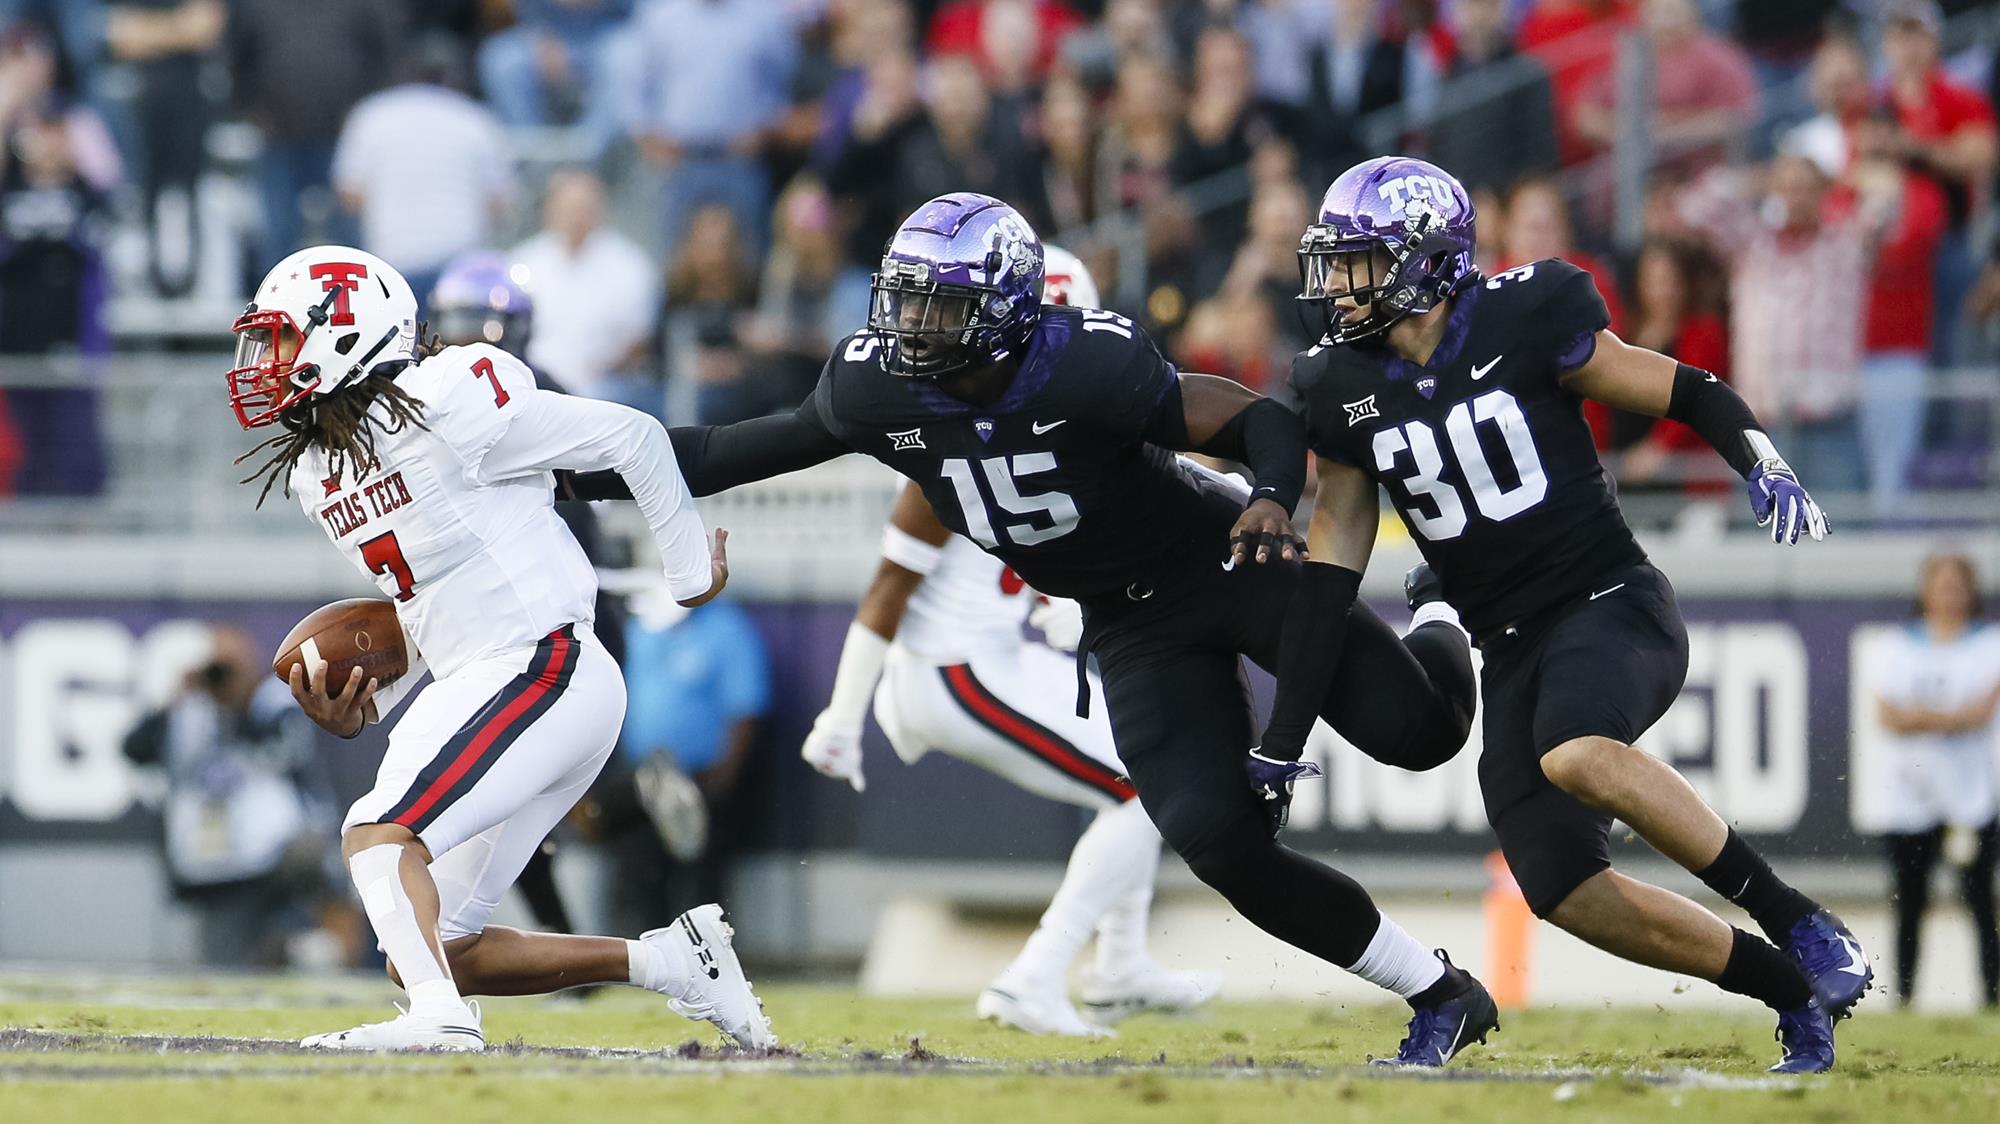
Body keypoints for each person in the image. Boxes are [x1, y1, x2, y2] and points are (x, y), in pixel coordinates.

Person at [563, 192, 1498, 1067]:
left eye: (937, 306)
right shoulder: (877, 389)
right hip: (1132, 627)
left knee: (1419, 735)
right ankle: (1440, 992)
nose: (909, 325)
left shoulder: (1083, 362)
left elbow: (1257, 421)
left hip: (1222, 565)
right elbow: (722, 451)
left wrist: (1268, 498)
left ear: (1004, 311)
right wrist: (568, 472)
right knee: (1220, 844)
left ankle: (1443, 604)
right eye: (904, 299)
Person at [1272, 155, 1862, 1074]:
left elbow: (1683, 387)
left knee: (1576, 751)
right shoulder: (1336, 384)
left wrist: (1760, 460)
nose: (1339, 286)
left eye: (1359, 262)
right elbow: (1327, 581)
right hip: (1509, 648)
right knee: (1561, 888)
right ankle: (1790, 991)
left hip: (1609, 600)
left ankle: (1799, 919)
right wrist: (1281, 740)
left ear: (1424, 260)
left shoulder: (1529, 312)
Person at [226, 244, 768, 1051]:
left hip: (541, 664)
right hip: (495, 673)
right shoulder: (320, 470)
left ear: (342, 333)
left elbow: (634, 434)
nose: (263, 364)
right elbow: (430, 600)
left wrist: (687, 573)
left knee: (376, 834)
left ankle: (440, 1024)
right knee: (431, 947)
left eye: (278, 340)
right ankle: (676, 963)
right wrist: (367, 701)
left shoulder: (448, 394)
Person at [799, 252, 1222, 1036]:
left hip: (992, 653)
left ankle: (1120, 963)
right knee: (1148, 784)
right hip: (954, 666)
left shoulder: (1064, 429)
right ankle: (1036, 975)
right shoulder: (948, 439)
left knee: (1150, 761)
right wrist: (841, 715)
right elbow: (890, 584)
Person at [426, 249, 633, 938]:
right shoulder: (422, 400)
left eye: (480, 326)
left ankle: (629, 811)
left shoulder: (533, 395)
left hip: (553, 614)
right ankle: (570, 948)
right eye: (455, 325)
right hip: (486, 620)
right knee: (504, 805)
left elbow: (579, 509)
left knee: (547, 793)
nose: (466, 342)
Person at [121, 625, 346, 968]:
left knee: (326, 864)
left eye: (231, 666)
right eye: (217, 665)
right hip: (217, 863)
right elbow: (133, 749)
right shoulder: (187, 710)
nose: (222, 677)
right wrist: (174, 700)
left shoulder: (271, 701)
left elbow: (282, 744)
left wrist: (237, 701)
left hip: (275, 849)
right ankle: (287, 951)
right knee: (227, 967)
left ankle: (329, 950)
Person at [1866, 553, 2000, 1009]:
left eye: (1957, 585)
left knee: (1980, 900)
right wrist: (1952, 718)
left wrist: (1923, 716)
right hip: (1911, 795)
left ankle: (1991, 995)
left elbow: (1982, 713)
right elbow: (1889, 717)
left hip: (1970, 795)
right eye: (1941, 584)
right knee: (1909, 900)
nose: (1949, 594)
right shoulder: (1897, 647)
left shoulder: (1989, 645)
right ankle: (1904, 995)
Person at [331, 37, 514, 310]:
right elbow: (500, 202)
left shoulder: (372, 115)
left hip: (394, 259)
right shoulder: (474, 117)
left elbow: (349, 195)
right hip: (460, 261)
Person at [507, 169, 659, 410]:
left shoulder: (630, 266)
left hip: (607, 389)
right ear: (550, 209)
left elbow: (637, 342)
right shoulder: (521, 262)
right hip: (533, 386)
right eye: (568, 208)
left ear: (600, 209)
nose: (576, 217)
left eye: (584, 207)